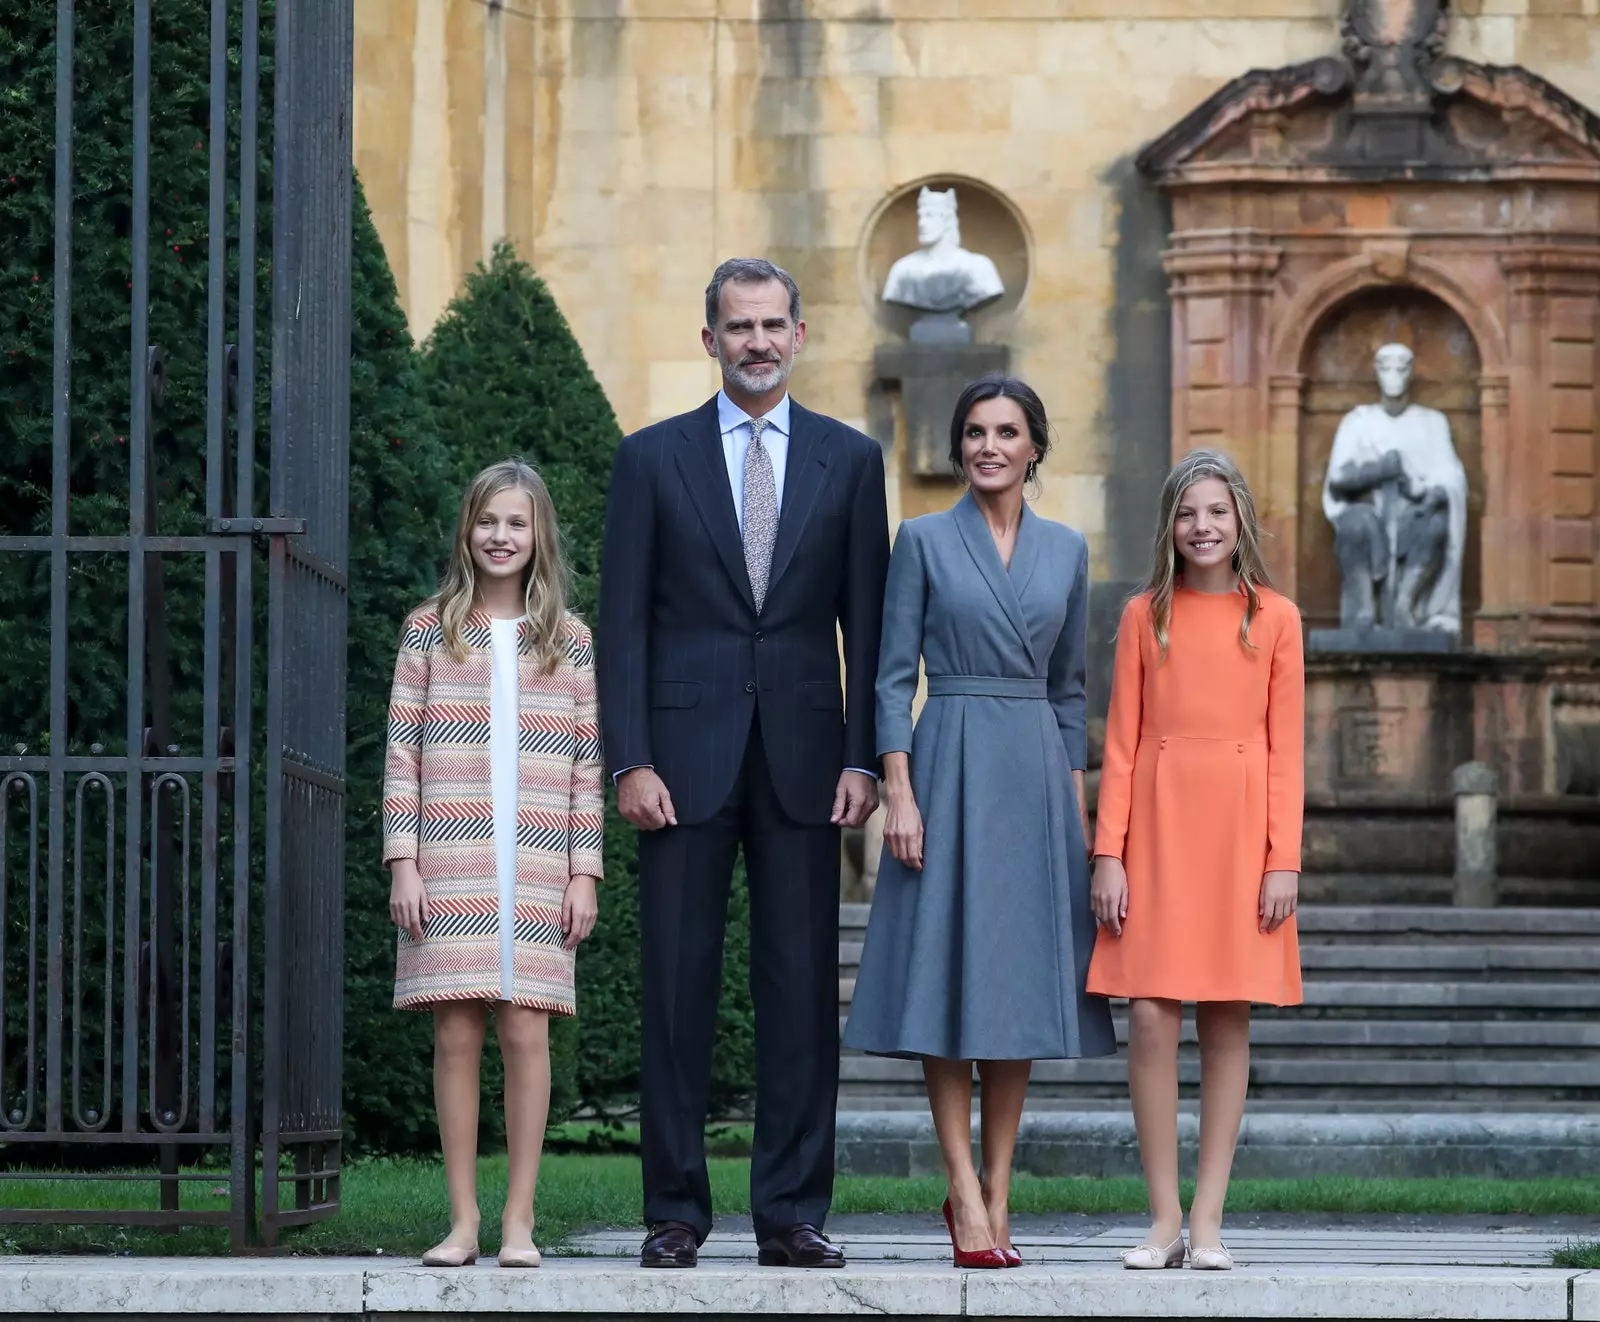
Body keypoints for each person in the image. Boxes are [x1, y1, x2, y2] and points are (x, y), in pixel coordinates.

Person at [598, 258, 891, 1269]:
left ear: (801, 335)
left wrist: (866, 760)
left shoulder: (851, 461)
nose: (757, 341)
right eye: (738, 325)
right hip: (679, 762)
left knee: (802, 991)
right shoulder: (649, 459)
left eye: (773, 324)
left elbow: (872, 623)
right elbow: (621, 623)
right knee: (674, 987)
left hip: (810, 763)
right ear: (709, 338)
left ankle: (793, 1210)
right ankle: (673, 1209)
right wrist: (628, 756)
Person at [844, 375, 1116, 1269]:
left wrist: (1074, 809)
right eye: (973, 432)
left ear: (1036, 446)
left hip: (1035, 772)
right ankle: (961, 1189)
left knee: (1016, 992)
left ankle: (1001, 1190)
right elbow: (889, 677)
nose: (988, 446)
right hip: (948, 758)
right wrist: (901, 792)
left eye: (1006, 432)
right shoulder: (920, 540)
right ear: (959, 448)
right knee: (946, 976)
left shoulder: (1068, 551)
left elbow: (1072, 691)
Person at [1087, 449, 1304, 1272]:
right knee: (1150, 1013)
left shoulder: (1276, 618)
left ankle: (1209, 1221)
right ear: (1169, 526)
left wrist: (1283, 859)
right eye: (1187, 513)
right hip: (1159, 821)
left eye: (1216, 512)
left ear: (1240, 519)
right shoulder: (1147, 616)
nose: (1202, 527)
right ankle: (1163, 1215)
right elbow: (1120, 742)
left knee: (1227, 1011)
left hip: (1244, 829)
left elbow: (1288, 750)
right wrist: (1109, 852)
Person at [384, 459, 603, 1270]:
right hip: (453, 855)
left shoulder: (570, 641)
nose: (500, 537)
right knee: (455, 1031)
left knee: (525, 1028)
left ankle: (519, 1219)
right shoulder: (429, 630)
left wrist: (585, 871)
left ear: (539, 533)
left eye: (516, 523)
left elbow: (586, 764)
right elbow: (401, 754)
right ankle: (463, 1221)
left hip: (541, 858)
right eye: (487, 522)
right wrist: (403, 860)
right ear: (465, 531)